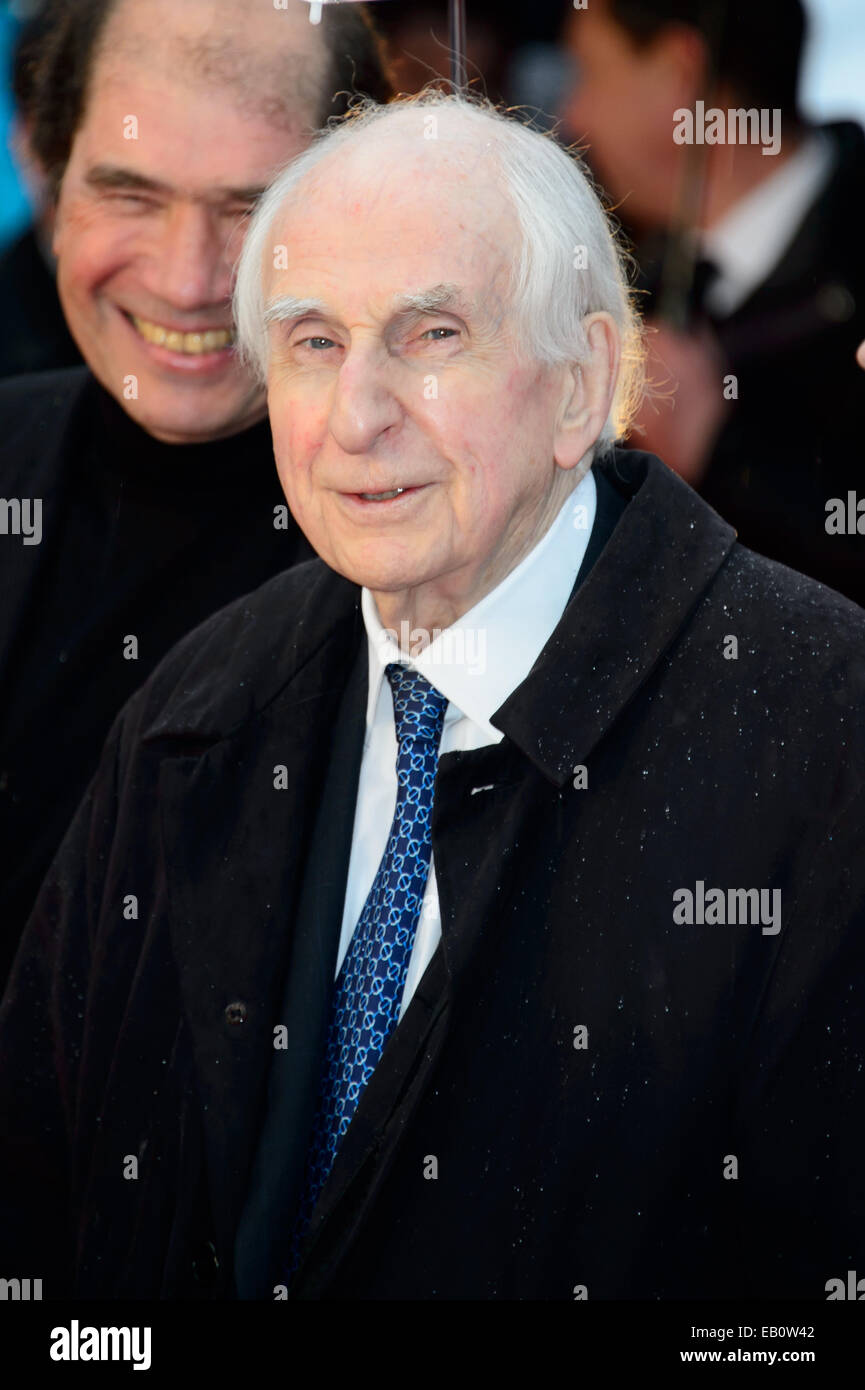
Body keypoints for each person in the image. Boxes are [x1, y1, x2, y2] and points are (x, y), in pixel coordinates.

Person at [1, 89, 863, 1302]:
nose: (356, 417)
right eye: (312, 343)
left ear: (581, 389)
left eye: (431, 336)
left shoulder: (823, 734)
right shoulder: (200, 705)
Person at [0, 0, 392, 985]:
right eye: (130, 195)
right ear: (42, 176)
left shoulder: (434, 552)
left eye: (252, 210)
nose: (187, 279)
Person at [561, 0, 865, 608]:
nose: (573, 114)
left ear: (681, 76)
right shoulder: (617, 289)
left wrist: (717, 450)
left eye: (591, 73)